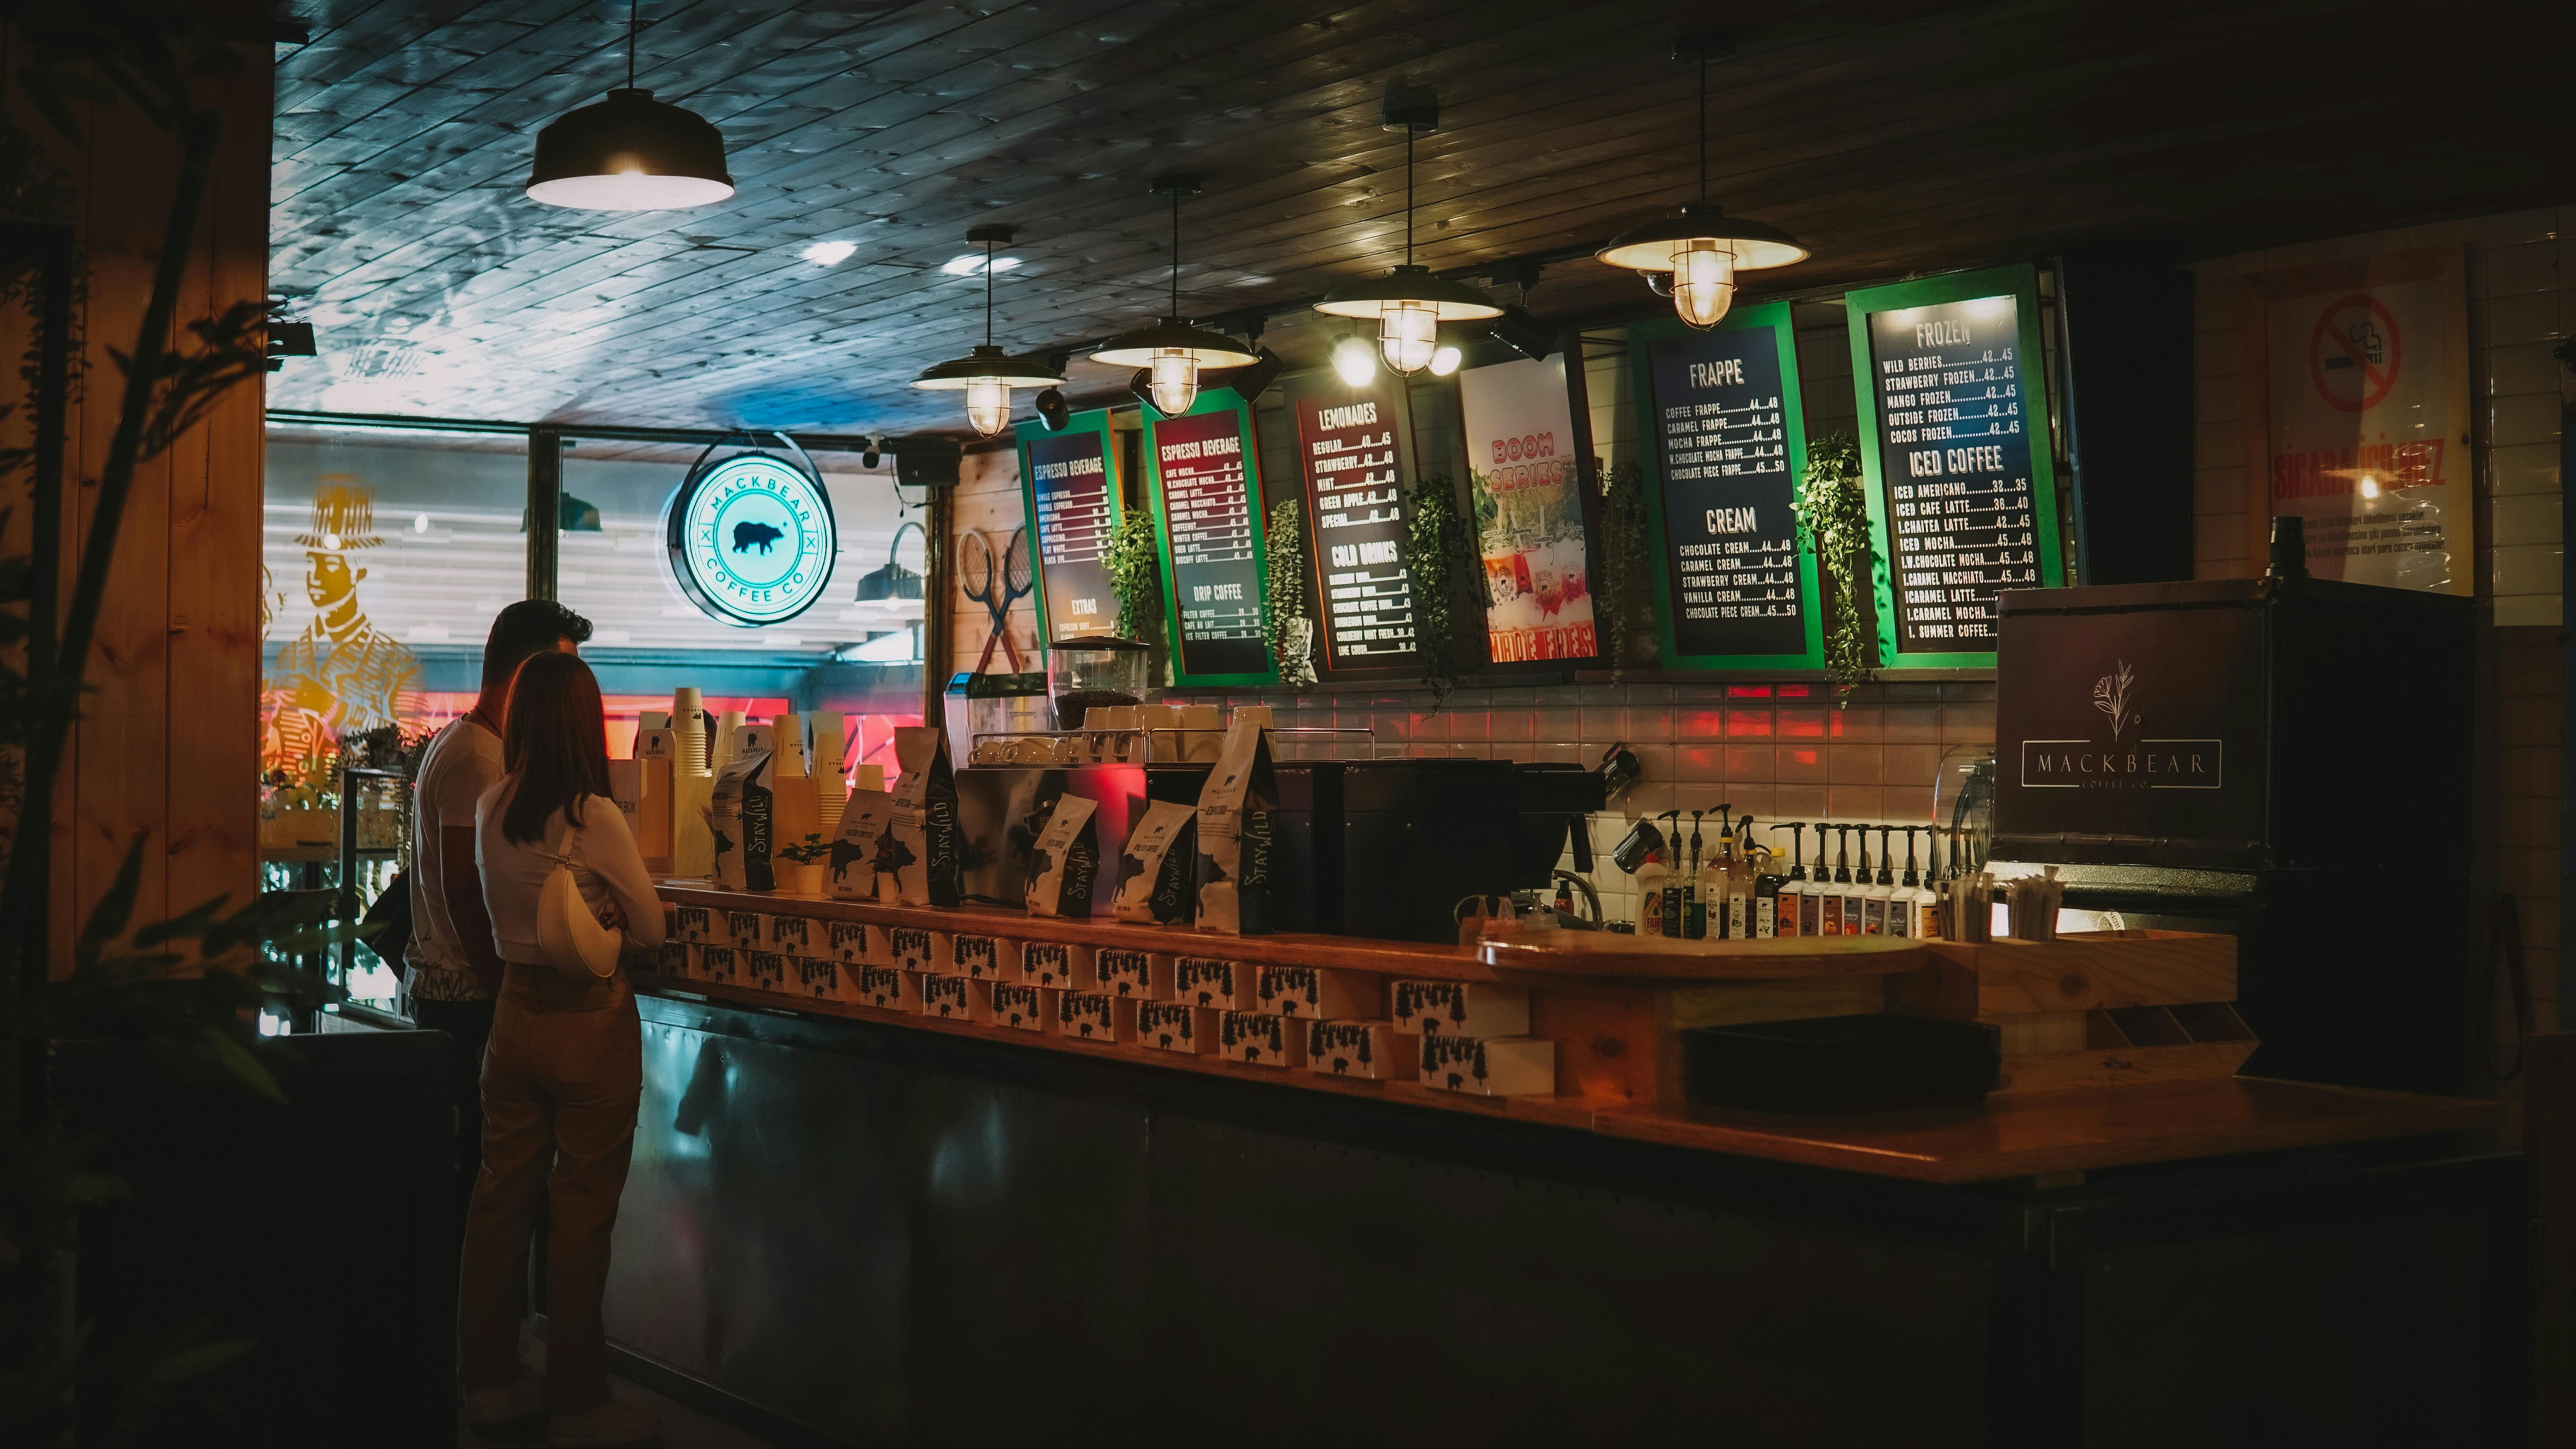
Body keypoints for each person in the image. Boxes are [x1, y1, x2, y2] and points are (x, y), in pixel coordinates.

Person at [456, 651, 665, 1446]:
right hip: (587, 1022)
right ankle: (580, 1401)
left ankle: (489, 1383)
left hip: (512, 1017)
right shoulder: (593, 816)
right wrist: (608, 908)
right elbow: (652, 926)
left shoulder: (491, 805)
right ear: (585, 723)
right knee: (580, 1213)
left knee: (498, 1202)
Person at [407, 600, 593, 1227]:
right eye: (563, 675)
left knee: (485, 1178)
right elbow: (464, 887)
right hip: (464, 998)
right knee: (490, 1186)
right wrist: (503, 985)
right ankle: (477, 1321)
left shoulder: (464, 743)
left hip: (454, 993)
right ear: (529, 677)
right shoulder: (479, 757)